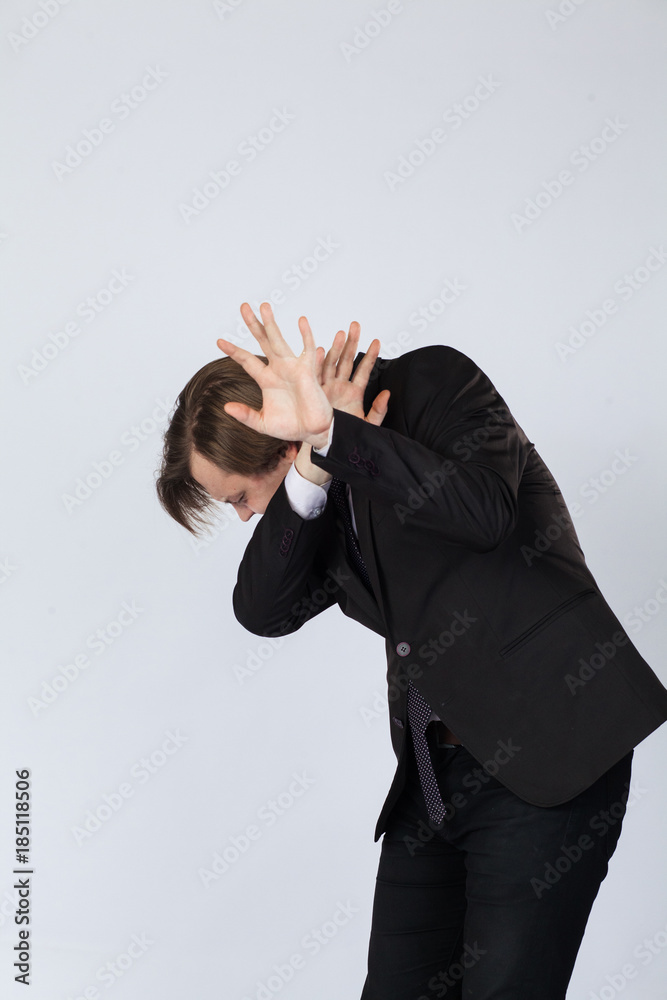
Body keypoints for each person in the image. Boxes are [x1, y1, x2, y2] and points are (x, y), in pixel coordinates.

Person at [156, 301, 667, 999]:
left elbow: (483, 512)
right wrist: (310, 472)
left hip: (548, 761)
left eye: (240, 496)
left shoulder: (434, 383)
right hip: (430, 784)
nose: (247, 516)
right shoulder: (316, 488)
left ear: (271, 445)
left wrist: (336, 434)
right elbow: (260, 611)